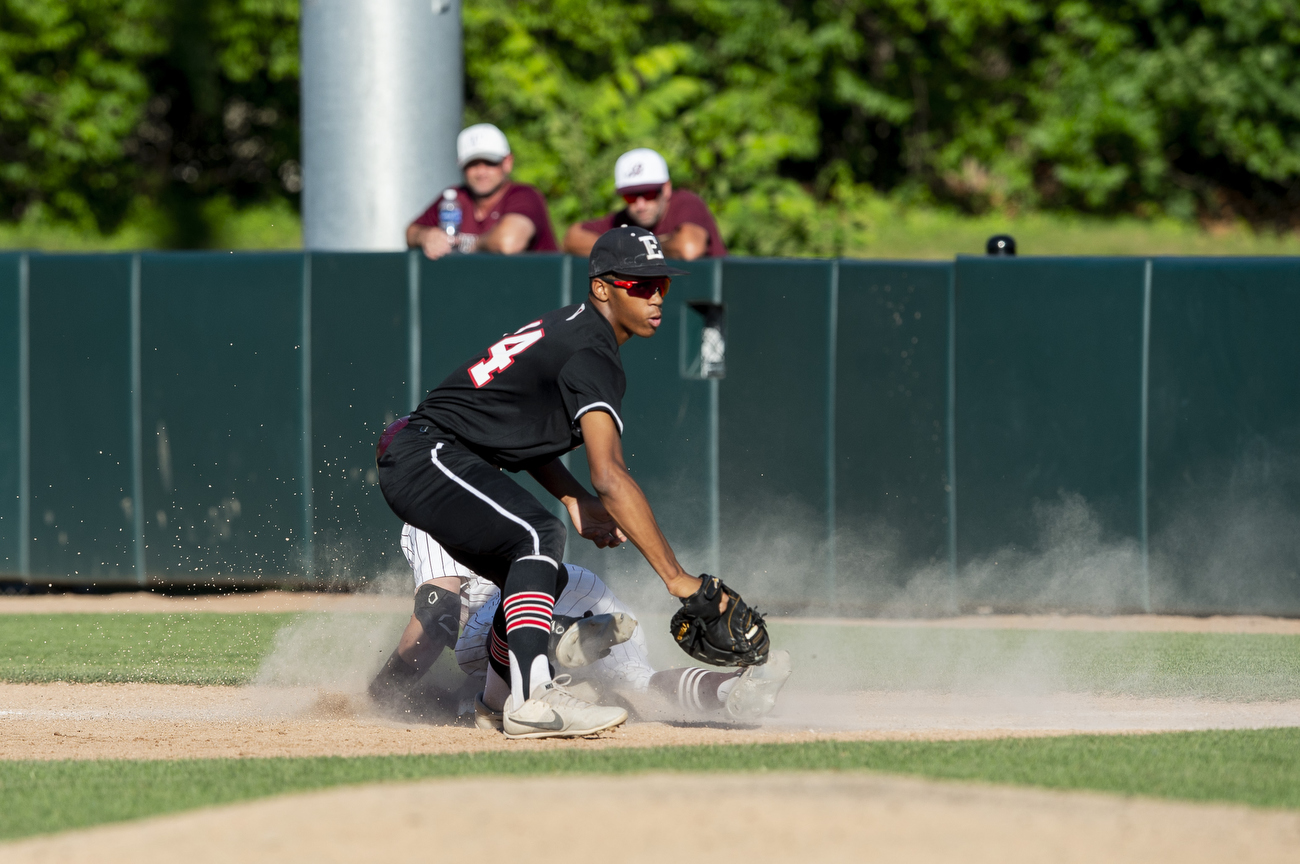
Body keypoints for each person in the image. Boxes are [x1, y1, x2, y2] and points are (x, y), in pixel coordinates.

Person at [375, 226, 725, 739]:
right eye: (640, 284)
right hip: (427, 449)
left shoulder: (576, 333)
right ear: (603, 287)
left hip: (443, 452)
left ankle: (496, 701)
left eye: (662, 285)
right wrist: (679, 580)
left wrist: (571, 496)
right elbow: (610, 475)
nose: (655, 296)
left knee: (539, 576)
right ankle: (534, 698)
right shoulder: (591, 351)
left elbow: (515, 433)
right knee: (538, 537)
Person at [371, 524, 793, 727]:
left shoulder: (429, 512)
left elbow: (439, 616)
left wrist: (384, 692)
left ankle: (556, 637)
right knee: (639, 678)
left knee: (468, 656)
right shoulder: (486, 496)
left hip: (515, 604)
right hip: (576, 584)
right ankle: (731, 689)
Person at [406, 123, 557, 259]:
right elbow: (411, 232)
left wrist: (474, 245)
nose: (481, 172)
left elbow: (509, 243)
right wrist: (426, 237)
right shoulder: (455, 197)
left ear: (507, 163)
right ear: (461, 166)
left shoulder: (524, 195)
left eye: (490, 163)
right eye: (473, 164)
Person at [562, 148, 726, 260]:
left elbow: (689, 248)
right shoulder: (625, 220)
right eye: (630, 197)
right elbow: (573, 238)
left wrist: (632, 246)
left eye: (649, 194)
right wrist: (628, 246)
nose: (640, 205)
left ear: (667, 189)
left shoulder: (685, 202)